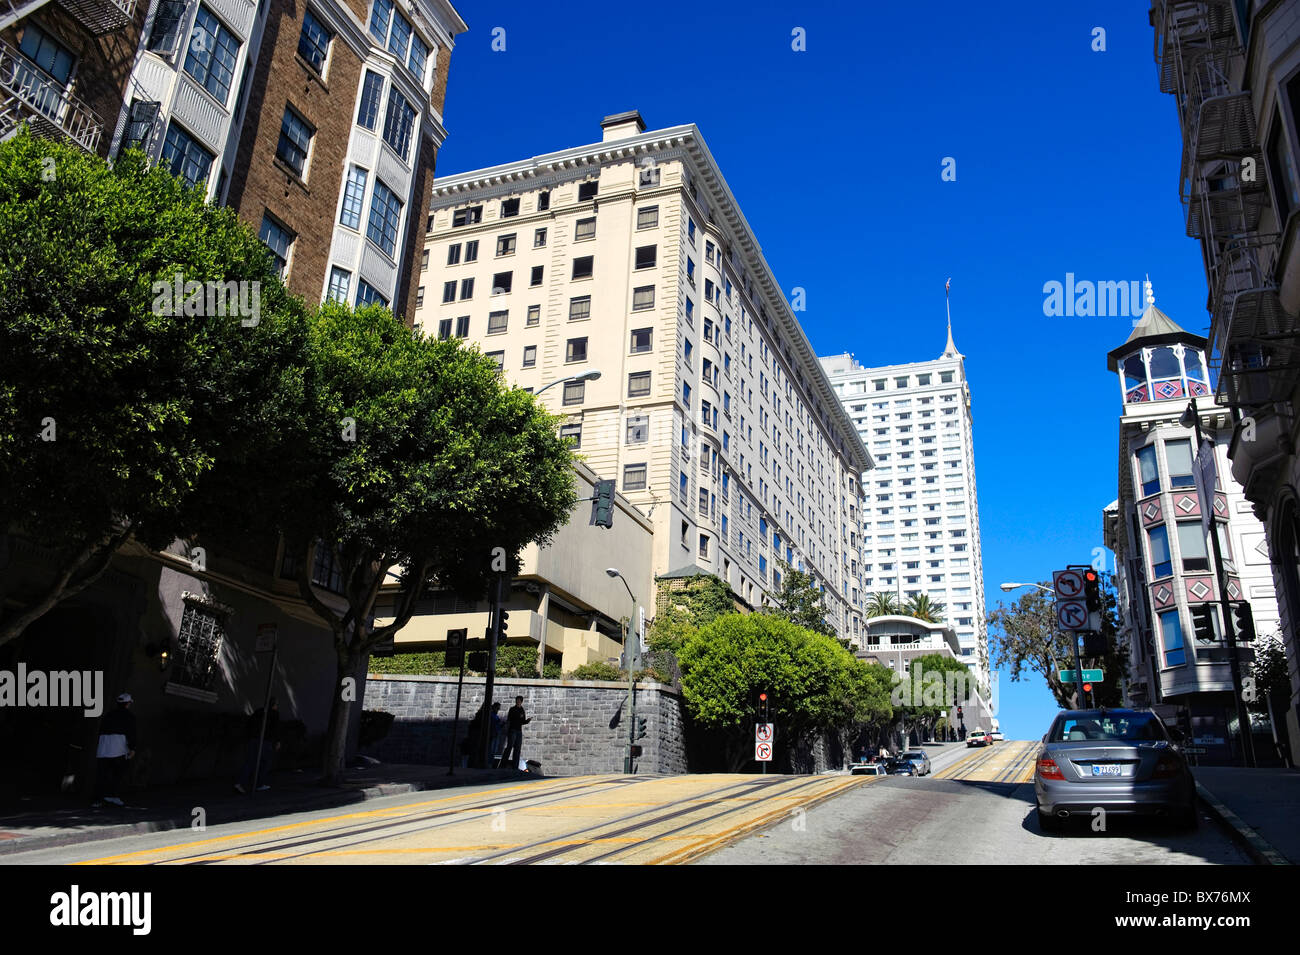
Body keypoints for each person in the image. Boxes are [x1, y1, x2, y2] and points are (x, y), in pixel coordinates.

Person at [93, 693, 136, 807]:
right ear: (128, 704)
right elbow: (131, 732)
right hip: (119, 747)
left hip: (104, 746)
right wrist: (132, 748)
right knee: (118, 772)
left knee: (102, 773)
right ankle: (112, 795)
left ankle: (98, 799)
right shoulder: (129, 716)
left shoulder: (108, 715)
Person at [235, 697, 280, 793]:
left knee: (250, 761)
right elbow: (275, 729)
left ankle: (241, 782)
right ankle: (259, 783)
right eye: (276, 705)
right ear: (274, 705)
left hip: (254, 739)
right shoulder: (274, 714)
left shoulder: (259, 711)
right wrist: (277, 741)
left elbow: (250, 724)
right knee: (265, 763)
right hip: (265, 741)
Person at [501, 696, 531, 769]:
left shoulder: (522, 710)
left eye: (519, 700)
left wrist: (527, 721)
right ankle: (503, 764)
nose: (517, 701)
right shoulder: (512, 709)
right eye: (516, 700)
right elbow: (509, 720)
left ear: (521, 701)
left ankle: (515, 766)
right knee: (509, 747)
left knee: (517, 749)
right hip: (512, 730)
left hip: (519, 731)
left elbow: (522, 721)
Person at [489, 702, 504, 766]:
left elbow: (498, 726)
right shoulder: (491, 715)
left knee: (494, 751)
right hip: (493, 735)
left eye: (498, 709)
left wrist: (502, 724)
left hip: (496, 734)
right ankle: (489, 763)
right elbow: (492, 725)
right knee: (491, 750)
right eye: (497, 708)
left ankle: (490, 763)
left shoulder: (496, 716)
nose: (498, 710)